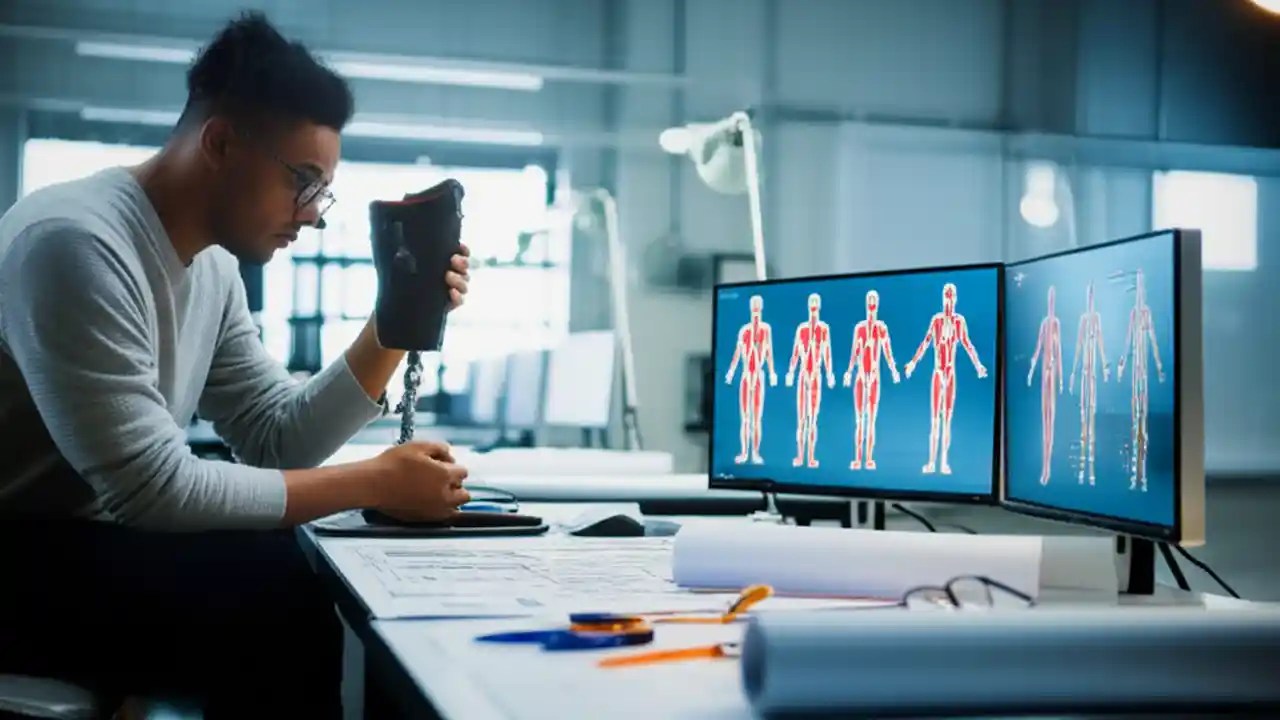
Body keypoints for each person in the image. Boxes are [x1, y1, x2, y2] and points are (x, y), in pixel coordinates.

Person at [0, 13, 471, 718]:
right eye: (303, 183)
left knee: (309, 579)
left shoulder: (211, 266)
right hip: (18, 560)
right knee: (284, 595)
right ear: (219, 142)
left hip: (90, 544)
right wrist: (376, 481)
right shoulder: (74, 243)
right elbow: (152, 491)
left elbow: (276, 438)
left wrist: (396, 320)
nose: (312, 214)